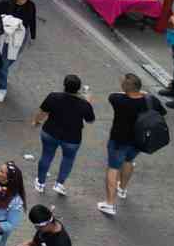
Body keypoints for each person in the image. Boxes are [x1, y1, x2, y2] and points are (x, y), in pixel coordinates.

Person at [99, 73, 154, 217]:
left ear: (125, 87)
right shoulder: (149, 100)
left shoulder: (118, 99)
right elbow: (162, 112)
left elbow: (113, 94)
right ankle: (122, 189)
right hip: (138, 141)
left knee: (113, 168)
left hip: (119, 140)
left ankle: (110, 203)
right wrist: (143, 93)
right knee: (129, 161)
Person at [33, 74, 96, 195]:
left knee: (46, 156)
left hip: (50, 132)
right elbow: (90, 120)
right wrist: (88, 102)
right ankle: (59, 184)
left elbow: (42, 112)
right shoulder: (84, 104)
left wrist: (36, 121)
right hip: (72, 138)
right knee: (68, 159)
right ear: (78, 88)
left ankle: (40, 183)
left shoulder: (53, 96)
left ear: (64, 85)